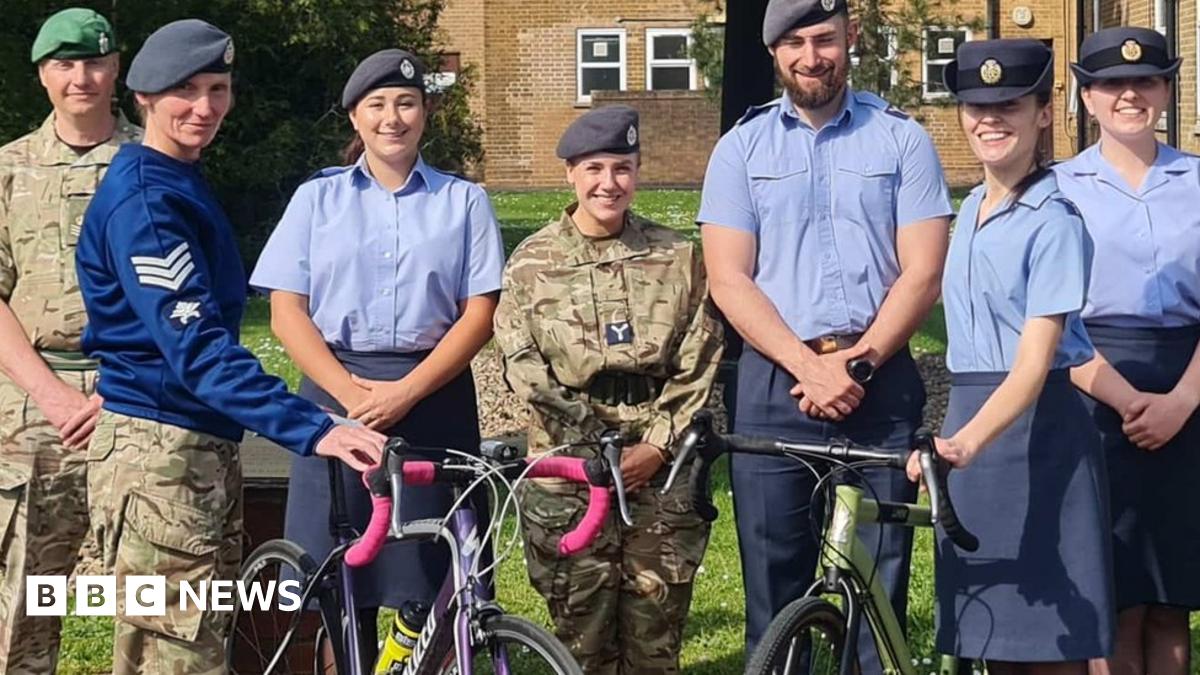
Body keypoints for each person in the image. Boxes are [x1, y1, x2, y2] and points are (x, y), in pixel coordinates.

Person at [74, 20, 385, 674]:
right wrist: (314, 426)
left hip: (190, 447)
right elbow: (197, 350)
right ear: (144, 99)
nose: (206, 106)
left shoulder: (174, 178)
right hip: (162, 457)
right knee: (174, 657)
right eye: (185, 90)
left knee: (193, 647)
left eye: (218, 88)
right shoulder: (148, 204)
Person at [696, 0, 953, 666]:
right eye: (795, 44)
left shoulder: (902, 139)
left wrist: (858, 364)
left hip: (880, 382)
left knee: (876, 586)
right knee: (775, 595)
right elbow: (729, 280)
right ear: (774, 54)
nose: (812, 56)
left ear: (852, 39)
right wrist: (807, 369)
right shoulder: (740, 149)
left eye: (825, 39)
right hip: (775, 386)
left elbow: (923, 274)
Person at [249, 48, 505, 662]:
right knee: (342, 574)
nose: (394, 118)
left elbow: (480, 313)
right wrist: (350, 394)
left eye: (407, 104)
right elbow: (287, 312)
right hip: (337, 399)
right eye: (378, 106)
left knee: (434, 576)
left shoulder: (464, 201)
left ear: (426, 114)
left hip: (432, 395)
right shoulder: (317, 199)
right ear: (355, 120)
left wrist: (405, 391)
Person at [494, 105, 723, 675]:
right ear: (570, 174)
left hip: (661, 470)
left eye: (621, 168)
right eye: (594, 168)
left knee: (655, 633)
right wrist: (598, 446)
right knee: (581, 634)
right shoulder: (532, 263)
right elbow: (523, 364)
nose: (608, 183)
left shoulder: (677, 256)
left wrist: (659, 444)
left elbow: (700, 353)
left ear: (638, 171)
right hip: (570, 469)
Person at [912, 38, 1116, 674]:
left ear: (1043, 113)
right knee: (991, 636)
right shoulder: (969, 207)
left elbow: (1033, 366)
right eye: (977, 106)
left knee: (1051, 644)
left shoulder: (1055, 220)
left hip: (1037, 435)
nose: (990, 119)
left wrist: (966, 444)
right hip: (970, 428)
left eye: (1010, 104)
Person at [1055, 26, 1199, 675]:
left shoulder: (1197, 181)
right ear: (1088, 97)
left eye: (1146, 80)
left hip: (1190, 392)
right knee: (1109, 595)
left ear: (1167, 90)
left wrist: (1183, 399)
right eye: (1112, 83)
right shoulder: (1057, 190)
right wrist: (1125, 397)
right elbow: (1050, 317)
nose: (1130, 94)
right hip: (1093, 391)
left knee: (1171, 597)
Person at [0, 9, 140, 674]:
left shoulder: (154, 163)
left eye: (94, 62)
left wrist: (118, 388)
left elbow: (189, 295)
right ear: (42, 75)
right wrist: (52, 395)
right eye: (64, 63)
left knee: (150, 590)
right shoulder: (9, 169)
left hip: (140, 398)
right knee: (22, 591)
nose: (80, 77)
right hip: (34, 405)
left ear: (116, 69)